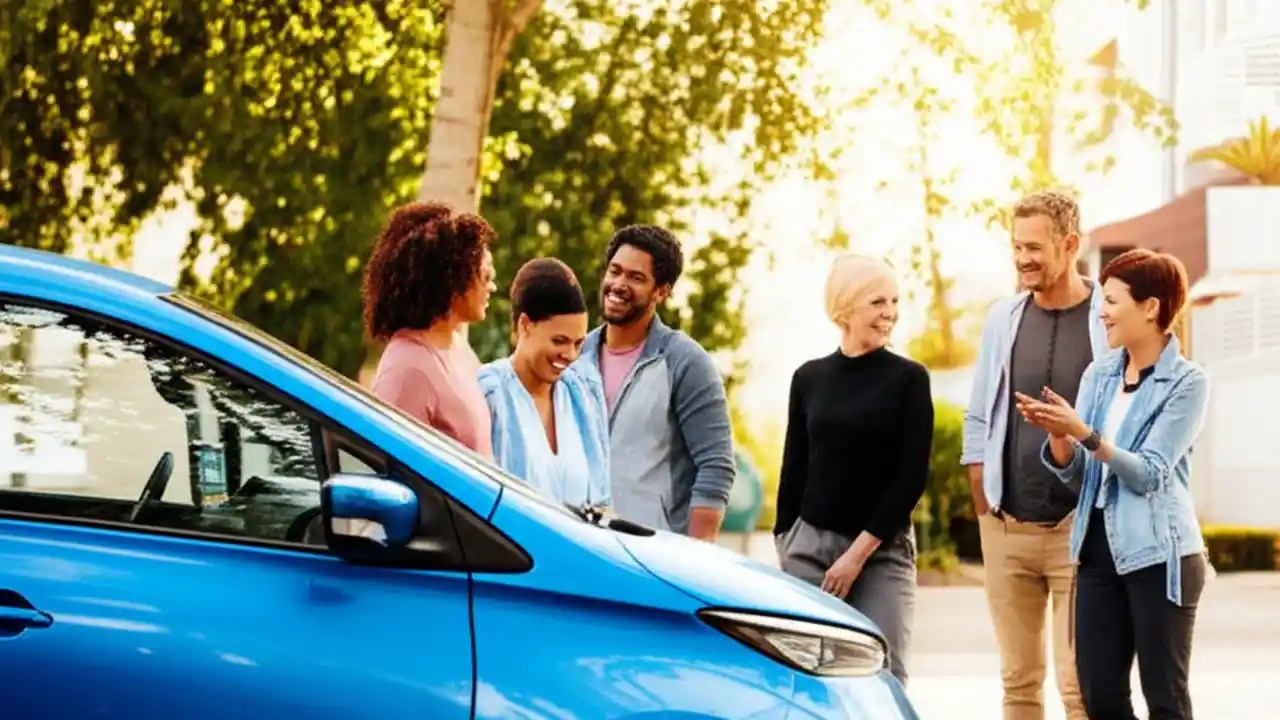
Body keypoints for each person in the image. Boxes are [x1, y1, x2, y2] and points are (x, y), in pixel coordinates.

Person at [1017, 249, 1209, 720]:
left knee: (1165, 699)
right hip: (1097, 553)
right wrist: (1061, 437)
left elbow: (1150, 473)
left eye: (1113, 300)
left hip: (1160, 556)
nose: (1101, 310)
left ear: (1151, 307)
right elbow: (1083, 474)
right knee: (1099, 696)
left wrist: (1085, 433)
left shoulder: (1187, 382)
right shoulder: (1100, 373)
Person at [962, 190, 1106, 720]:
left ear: (1069, 245)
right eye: (1017, 247)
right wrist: (983, 500)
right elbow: (979, 414)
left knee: (1081, 686)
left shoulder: (1105, 318)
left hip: (1081, 530)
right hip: (1007, 527)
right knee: (1018, 685)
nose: (1023, 259)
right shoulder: (1003, 317)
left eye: (1035, 247)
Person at [772, 253, 932, 685]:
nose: (890, 313)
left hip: (882, 553)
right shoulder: (809, 378)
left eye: (895, 301)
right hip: (808, 550)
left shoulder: (909, 379)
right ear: (845, 307)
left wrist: (855, 556)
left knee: (885, 677)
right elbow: (795, 467)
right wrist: (785, 538)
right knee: (809, 678)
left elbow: (911, 479)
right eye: (878, 302)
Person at [575, 224, 734, 540]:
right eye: (615, 271)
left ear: (662, 290)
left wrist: (699, 557)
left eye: (636, 277)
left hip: (652, 553)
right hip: (580, 544)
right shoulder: (576, 356)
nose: (619, 284)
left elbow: (716, 467)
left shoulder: (685, 362)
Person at [361, 201, 497, 458]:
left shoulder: (457, 346)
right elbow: (392, 466)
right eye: (486, 277)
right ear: (452, 279)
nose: (492, 287)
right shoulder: (407, 370)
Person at [478, 258, 610, 508]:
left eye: (578, 343)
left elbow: (602, 499)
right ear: (525, 325)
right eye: (559, 341)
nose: (570, 355)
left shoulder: (583, 393)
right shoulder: (490, 393)